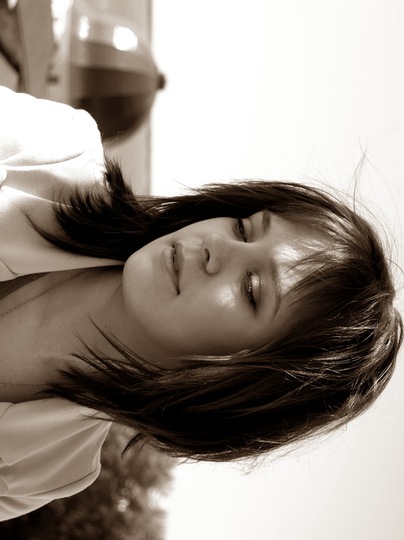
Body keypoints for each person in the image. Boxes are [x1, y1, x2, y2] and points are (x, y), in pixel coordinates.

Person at [0, 86, 401, 520]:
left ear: (244, 378)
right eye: (244, 229)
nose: (215, 245)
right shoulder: (54, 149)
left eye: (251, 288)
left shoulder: (43, 471)